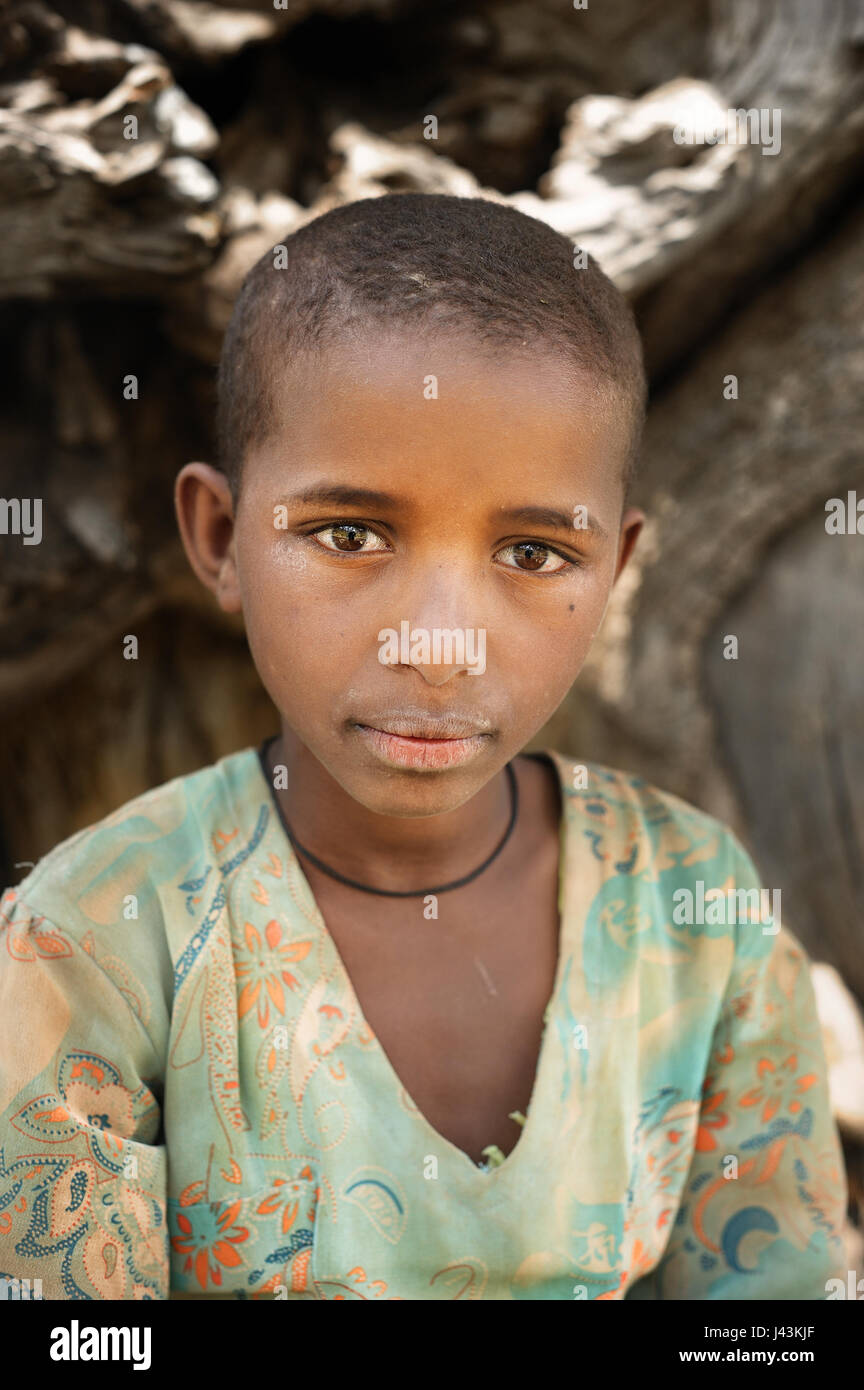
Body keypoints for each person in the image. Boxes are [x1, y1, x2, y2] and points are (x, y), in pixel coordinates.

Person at [0, 193, 847, 1300]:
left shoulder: (697, 914)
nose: (439, 644)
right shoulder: (99, 937)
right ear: (220, 539)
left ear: (619, 567)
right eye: (349, 535)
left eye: (535, 553)